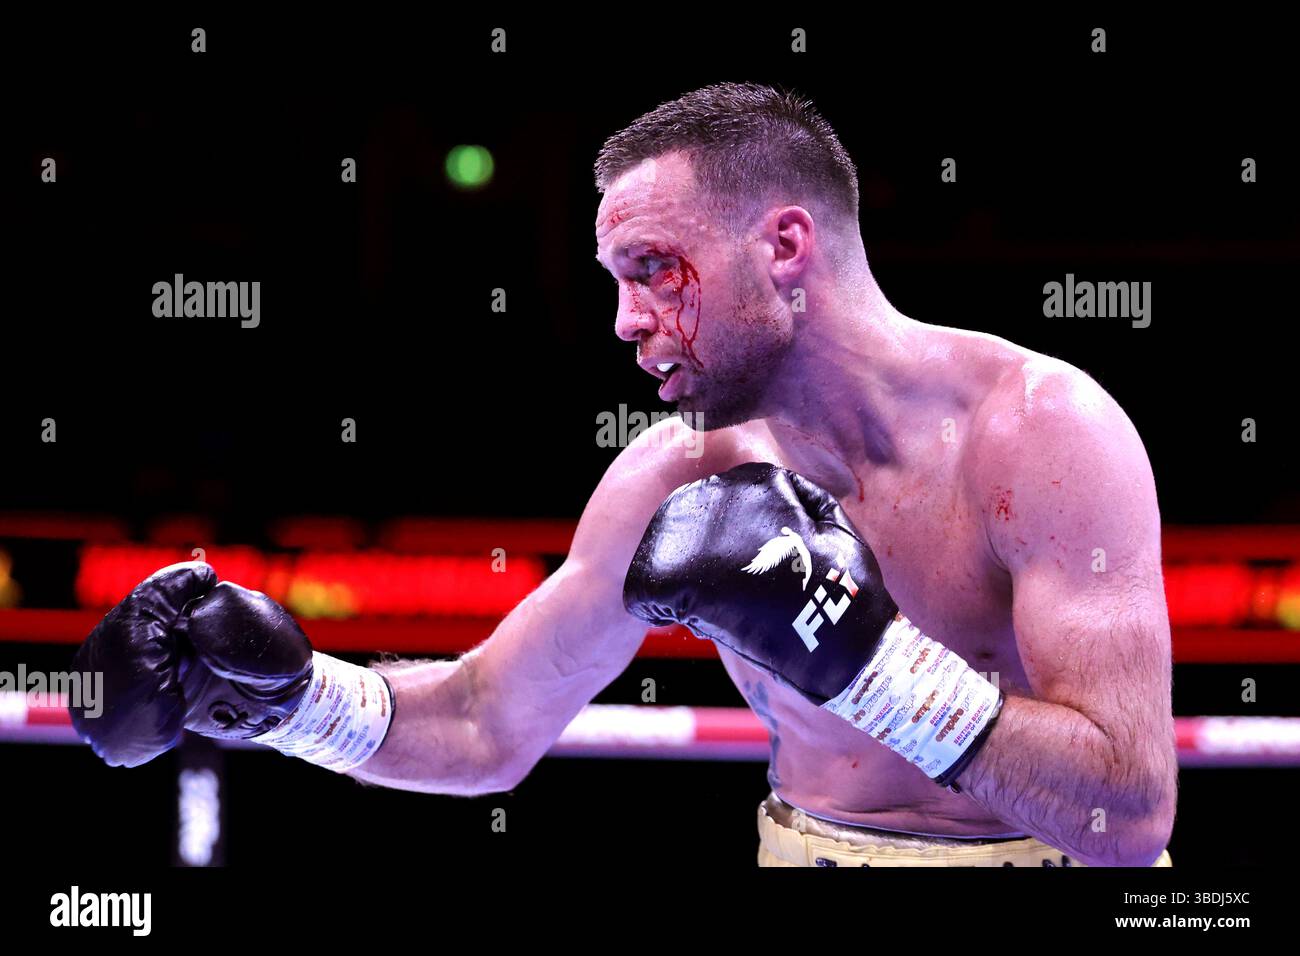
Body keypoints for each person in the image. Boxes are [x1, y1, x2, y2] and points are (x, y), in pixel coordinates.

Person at [70, 82, 1176, 867]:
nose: (624, 320)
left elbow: (1128, 815)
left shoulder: (1041, 435)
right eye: (614, 279)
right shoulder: (676, 474)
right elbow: (484, 723)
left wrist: (869, 662)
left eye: (654, 270)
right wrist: (287, 701)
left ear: (784, 246)